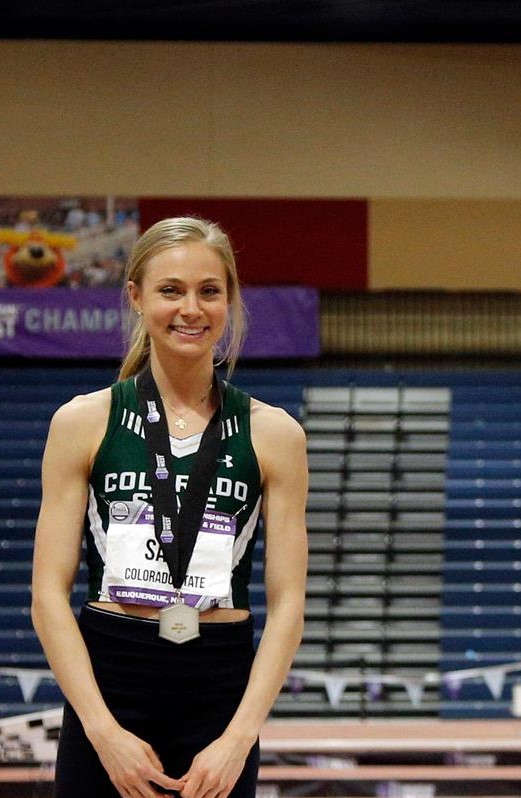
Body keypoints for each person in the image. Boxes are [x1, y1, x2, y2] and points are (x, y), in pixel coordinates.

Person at [31, 217, 308, 798]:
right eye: (170, 290)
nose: (192, 308)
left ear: (230, 299)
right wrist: (102, 731)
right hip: (110, 681)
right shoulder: (83, 422)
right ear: (135, 297)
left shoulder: (275, 434)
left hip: (219, 690)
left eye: (210, 290)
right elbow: (48, 595)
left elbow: (287, 605)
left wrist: (239, 738)